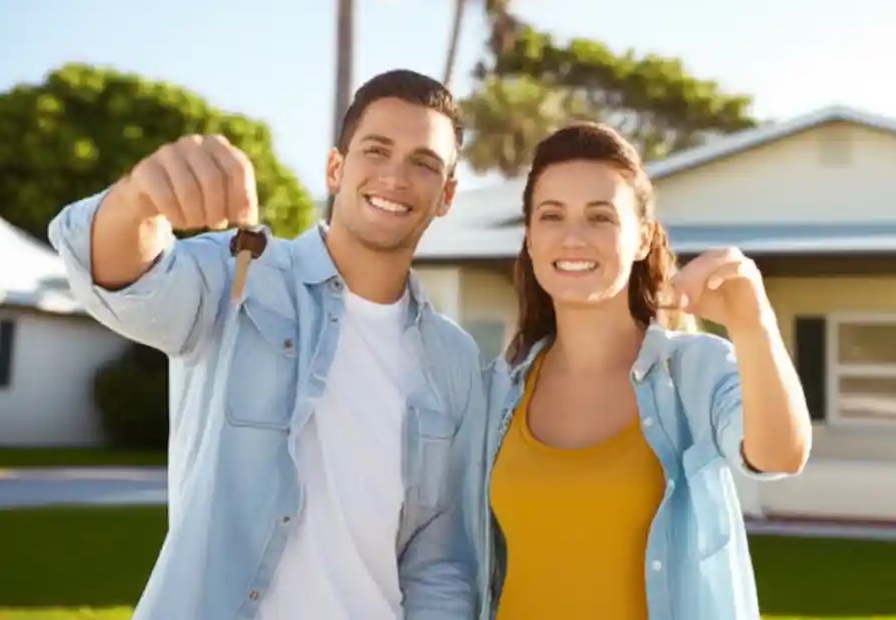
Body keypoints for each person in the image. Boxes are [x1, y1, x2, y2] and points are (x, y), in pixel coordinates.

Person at [48, 69, 484, 620]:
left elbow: (439, 557)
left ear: (445, 195)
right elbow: (120, 278)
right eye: (376, 150)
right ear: (335, 168)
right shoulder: (241, 275)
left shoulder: (455, 360)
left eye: (423, 163)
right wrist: (138, 198)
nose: (396, 177)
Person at [473, 122, 812, 620]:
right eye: (551, 216)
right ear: (529, 237)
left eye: (600, 217)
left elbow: (780, 453)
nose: (573, 237)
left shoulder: (693, 372)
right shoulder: (500, 391)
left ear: (642, 239)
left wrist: (753, 324)